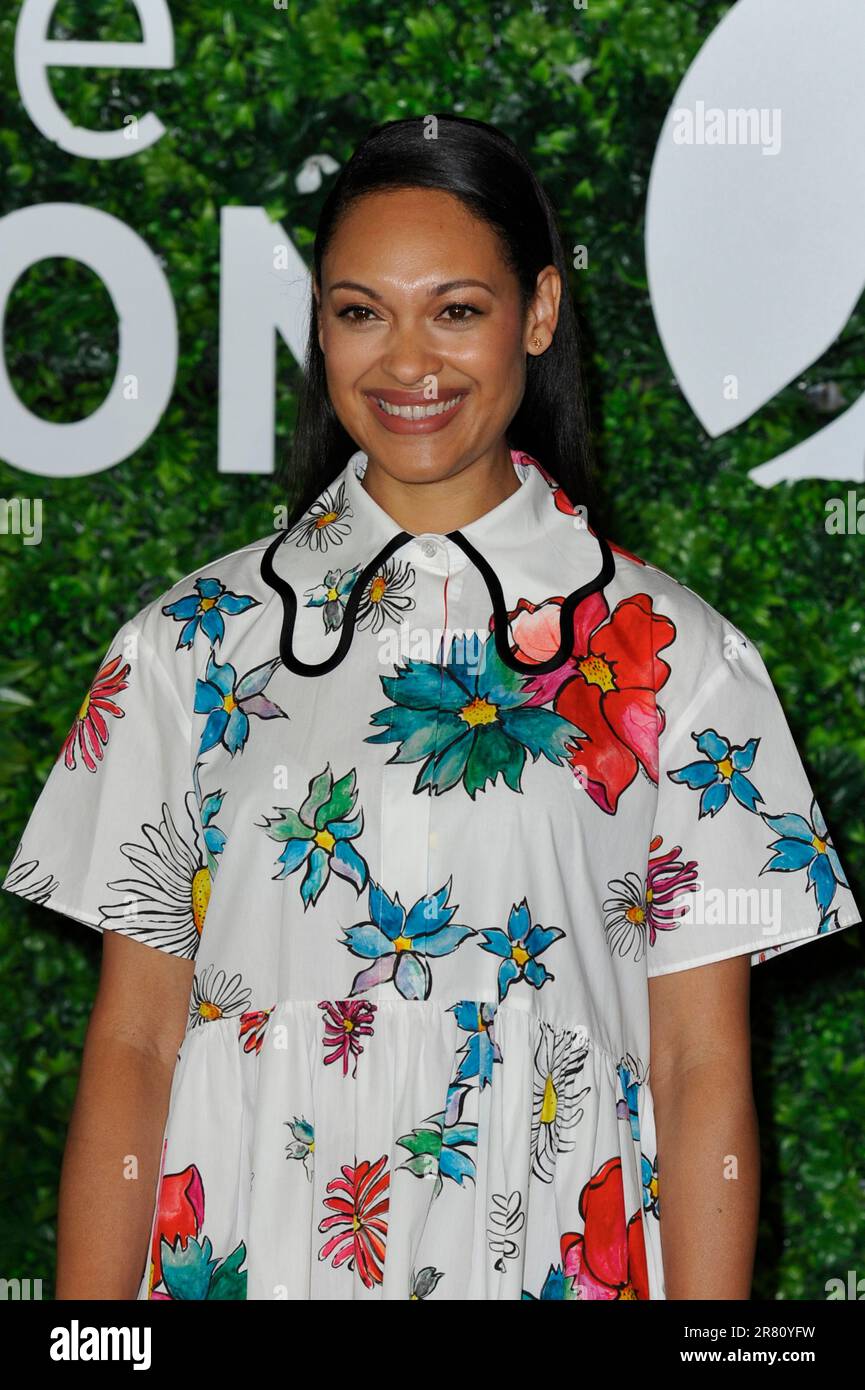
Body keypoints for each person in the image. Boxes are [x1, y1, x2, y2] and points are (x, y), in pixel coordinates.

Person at [3, 115, 861, 1302]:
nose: (408, 363)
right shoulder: (183, 651)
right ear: (319, 324)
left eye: (456, 309)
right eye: (361, 311)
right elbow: (138, 1045)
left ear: (540, 313)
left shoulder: (683, 664)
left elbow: (699, 1063)